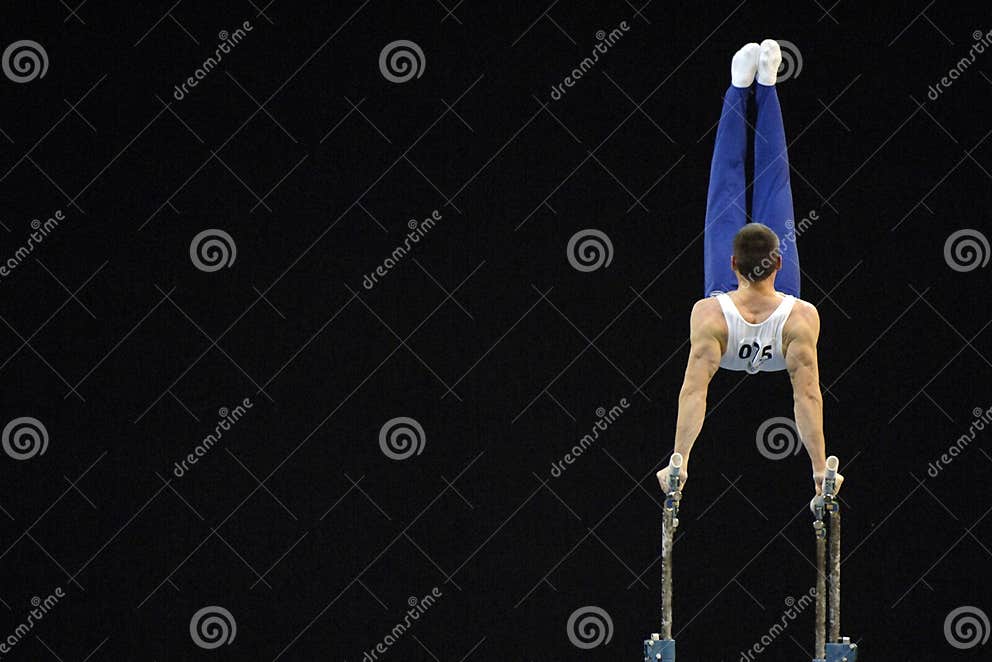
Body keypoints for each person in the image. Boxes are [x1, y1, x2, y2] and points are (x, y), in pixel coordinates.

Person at [656, 40, 843, 501]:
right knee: (774, 179)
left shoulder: (710, 315)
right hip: (780, 298)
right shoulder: (800, 318)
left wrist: (679, 459)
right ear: (777, 263)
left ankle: (745, 87)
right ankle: (761, 84)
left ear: (731, 263)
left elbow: (694, 393)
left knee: (733, 185)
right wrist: (819, 469)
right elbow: (808, 397)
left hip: (730, 296)